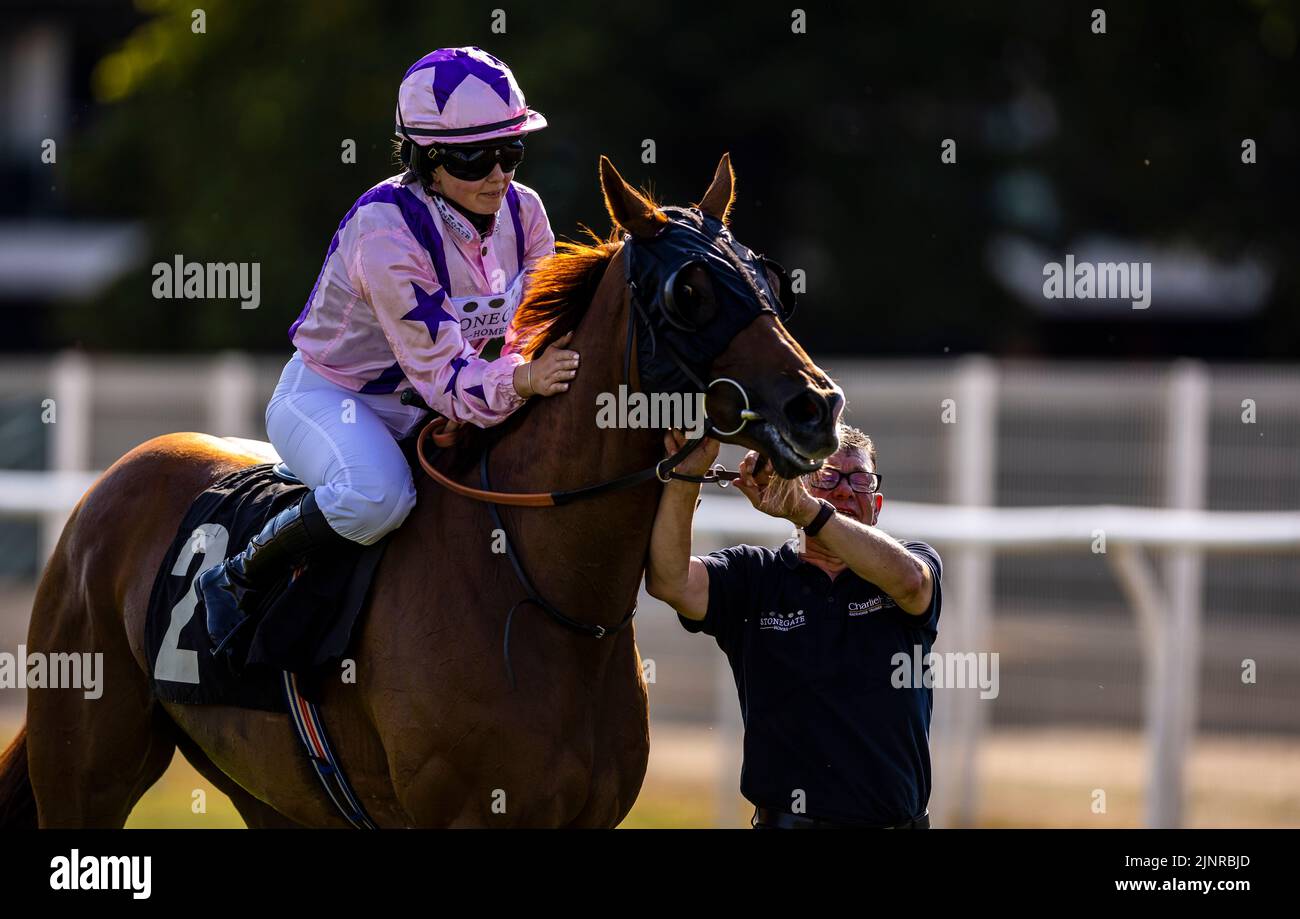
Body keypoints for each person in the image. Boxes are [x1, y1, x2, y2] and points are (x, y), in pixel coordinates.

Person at [199, 47, 580, 655]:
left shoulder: (525, 210)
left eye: (511, 152)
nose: (499, 174)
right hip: (335, 400)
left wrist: (533, 374)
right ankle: (239, 573)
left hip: (444, 397)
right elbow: (448, 380)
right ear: (427, 160)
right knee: (379, 498)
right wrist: (524, 383)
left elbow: (532, 328)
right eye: (476, 157)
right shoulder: (385, 231)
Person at [645, 424, 943, 828]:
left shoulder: (906, 564)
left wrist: (808, 510)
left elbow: (912, 582)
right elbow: (669, 581)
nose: (843, 491)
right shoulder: (754, 575)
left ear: (878, 502)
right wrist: (688, 475)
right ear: (795, 487)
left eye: (860, 480)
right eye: (826, 477)